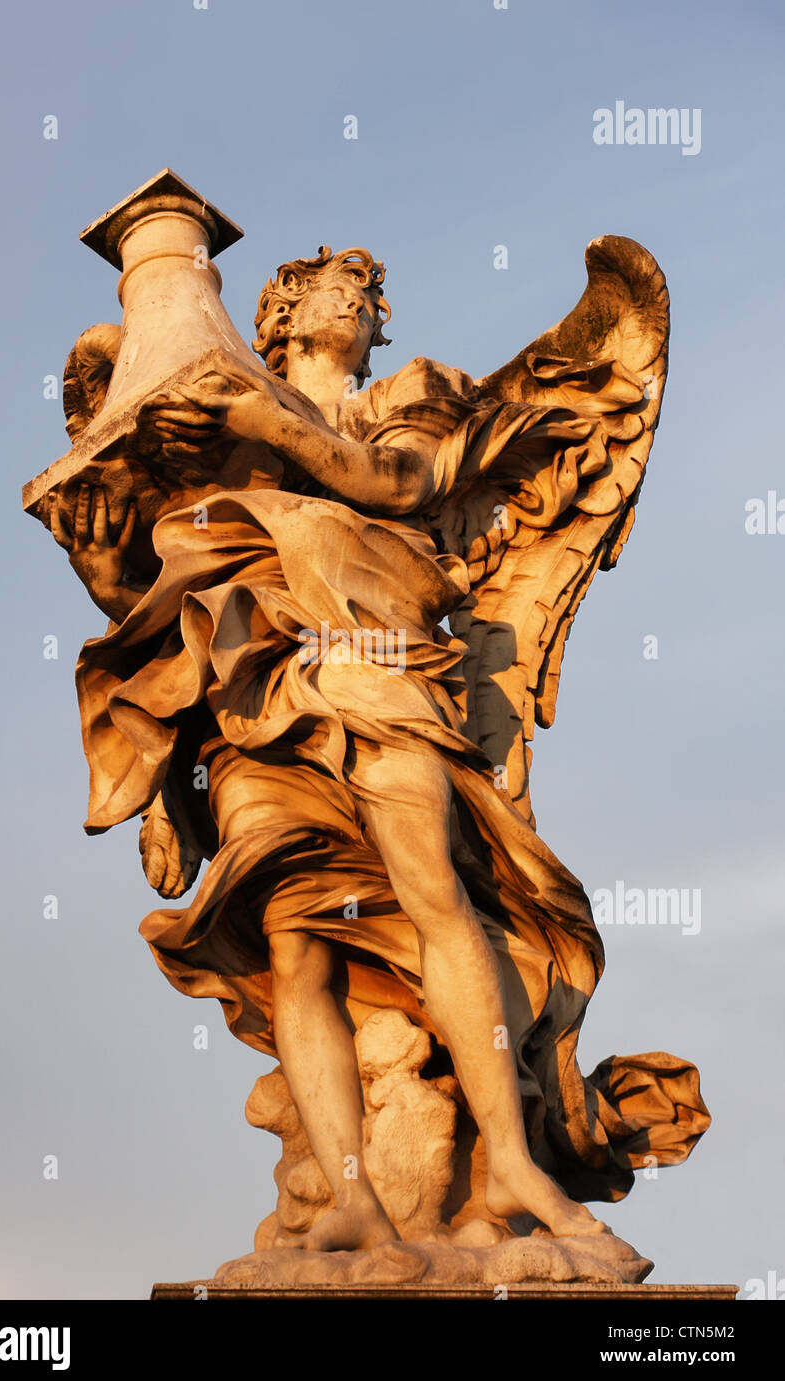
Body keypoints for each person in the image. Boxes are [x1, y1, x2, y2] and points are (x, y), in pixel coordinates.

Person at [52, 246, 707, 1250]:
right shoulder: (209, 429)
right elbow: (159, 599)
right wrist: (106, 562)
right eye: (332, 289)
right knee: (292, 940)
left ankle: (515, 1166)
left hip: (376, 661)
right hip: (255, 694)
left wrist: (261, 423)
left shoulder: (403, 395)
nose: (358, 302)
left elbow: (402, 485)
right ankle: (352, 1197)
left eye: (368, 295)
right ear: (273, 313)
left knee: (437, 896)